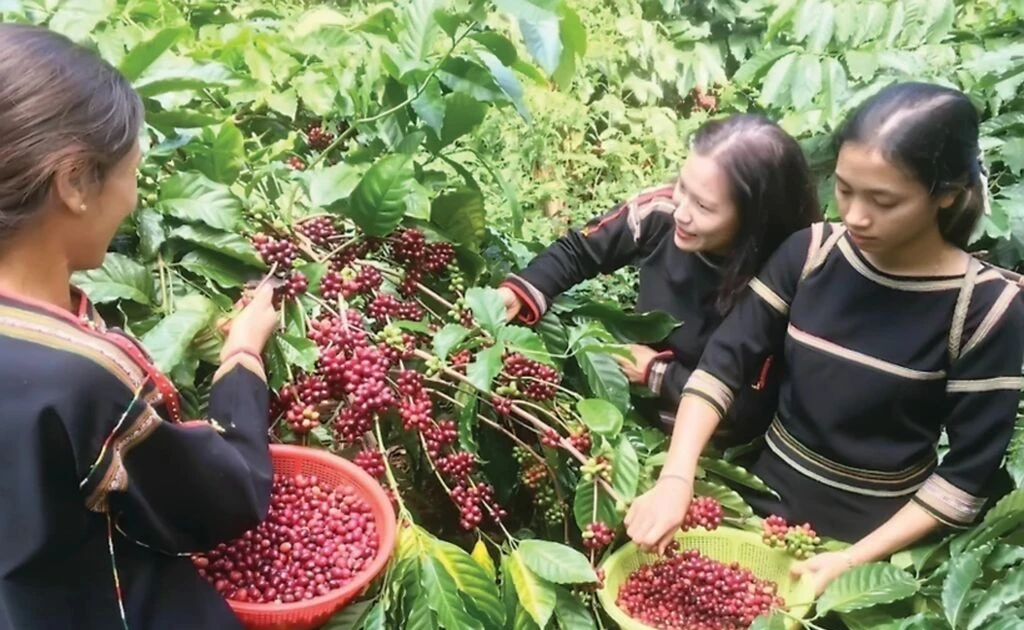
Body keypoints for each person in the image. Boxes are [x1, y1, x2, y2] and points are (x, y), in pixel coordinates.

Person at [625, 81, 1024, 596]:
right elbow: (725, 363)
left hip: (875, 548)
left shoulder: (986, 309)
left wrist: (851, 564)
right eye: (844, 189)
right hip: (756, 509)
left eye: (883, 200)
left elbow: (966, 477)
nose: (855, 216)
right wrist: (677, 479)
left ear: (946, 194)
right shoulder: (810, 254)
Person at [0, 24, 278, 630]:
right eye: (132, 168)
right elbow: (224, 498)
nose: (131, 197)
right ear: (75, 181)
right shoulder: (82, 378)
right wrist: (243, 357)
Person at [498, 114, 821, 445]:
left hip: (715, 447)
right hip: (632, 410)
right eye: (683, 186)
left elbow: (752, 405)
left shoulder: (783, 278)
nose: (681, 210)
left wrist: (656, 373)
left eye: (704, 206)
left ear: (754, 219)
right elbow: (581, 250)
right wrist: (522, 291)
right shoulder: (662, 211)